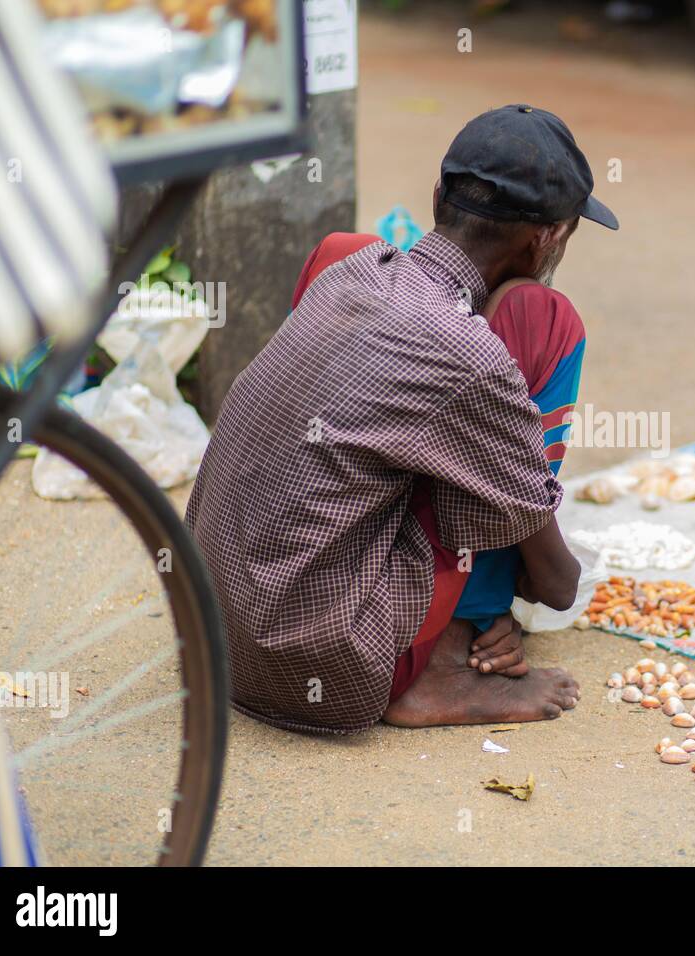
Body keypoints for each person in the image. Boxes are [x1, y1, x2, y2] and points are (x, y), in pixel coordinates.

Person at [185, 105, 618, 733]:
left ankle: (457, 619)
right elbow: (555, 586)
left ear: (438, 194)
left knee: (429, 445)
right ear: (548, 237)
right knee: (542, 319)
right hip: (319, 666)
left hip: (209, 631)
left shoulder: (350, 269)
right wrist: (513, 594)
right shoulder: (471, 358)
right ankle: (438, 672)